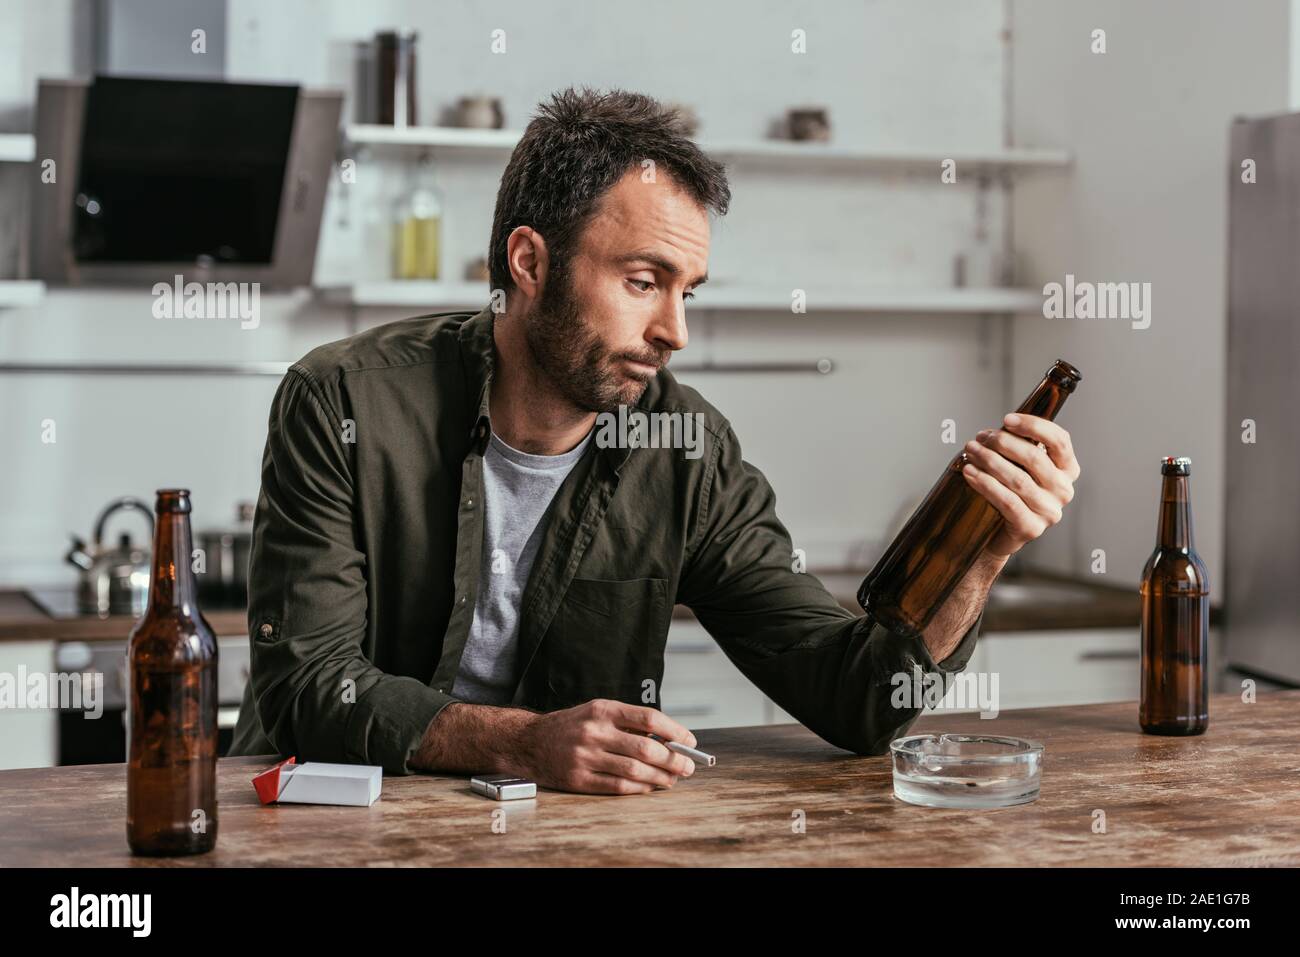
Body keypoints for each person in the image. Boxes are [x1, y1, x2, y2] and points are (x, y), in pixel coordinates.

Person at [229, 87, 1081, 794]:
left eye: (689, 293)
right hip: (332, 824)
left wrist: (985, 547)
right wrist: (525, 743)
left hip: (568, 845)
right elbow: (309, 684)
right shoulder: (343, 398)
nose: (674, 329)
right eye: (642, 281)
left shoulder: (688, 448)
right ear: (529, 264)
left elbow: (858, 699)